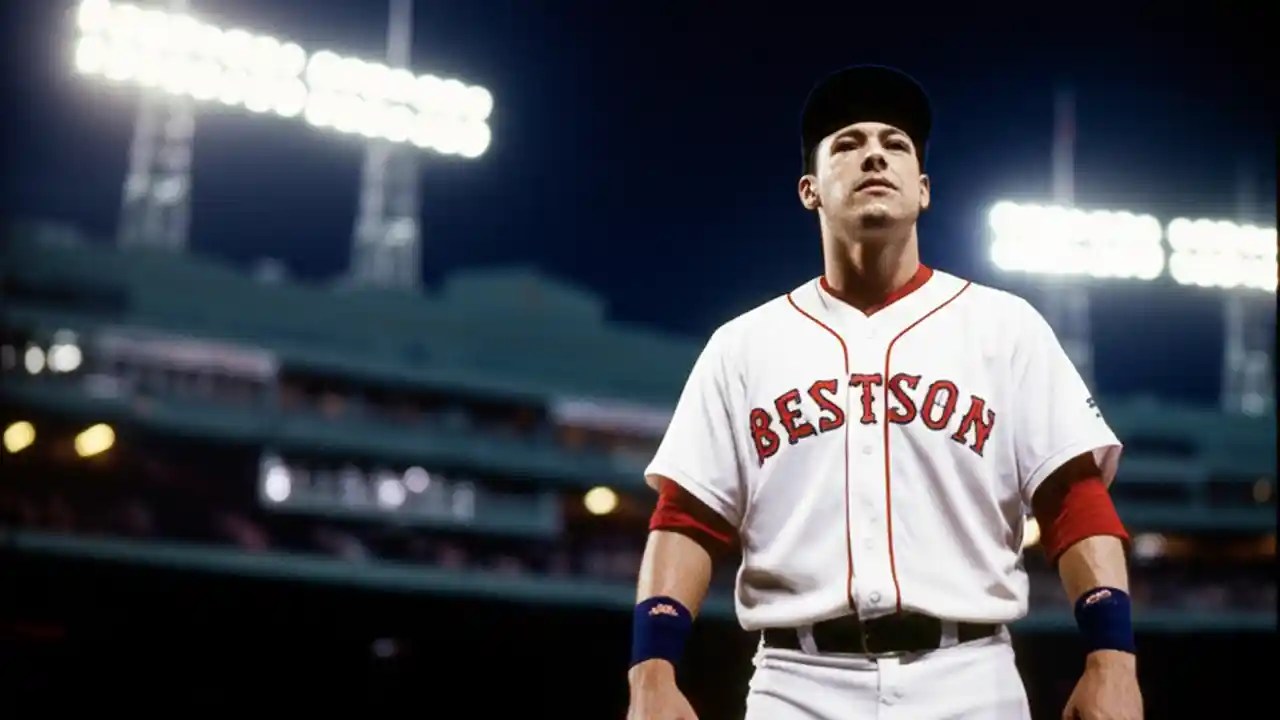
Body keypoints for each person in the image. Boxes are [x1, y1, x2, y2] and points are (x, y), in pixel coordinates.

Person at [625, 65, 1144, 720]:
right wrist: (651, 673)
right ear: (809, 190)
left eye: (895, 143)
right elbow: (685, 520)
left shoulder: (1004, 327)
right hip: (795, 682)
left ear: (923, 190)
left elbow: (1075, 501)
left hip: (969, 679)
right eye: (847, 143)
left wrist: (1111, 660)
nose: (874, 152)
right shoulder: (743, 345)